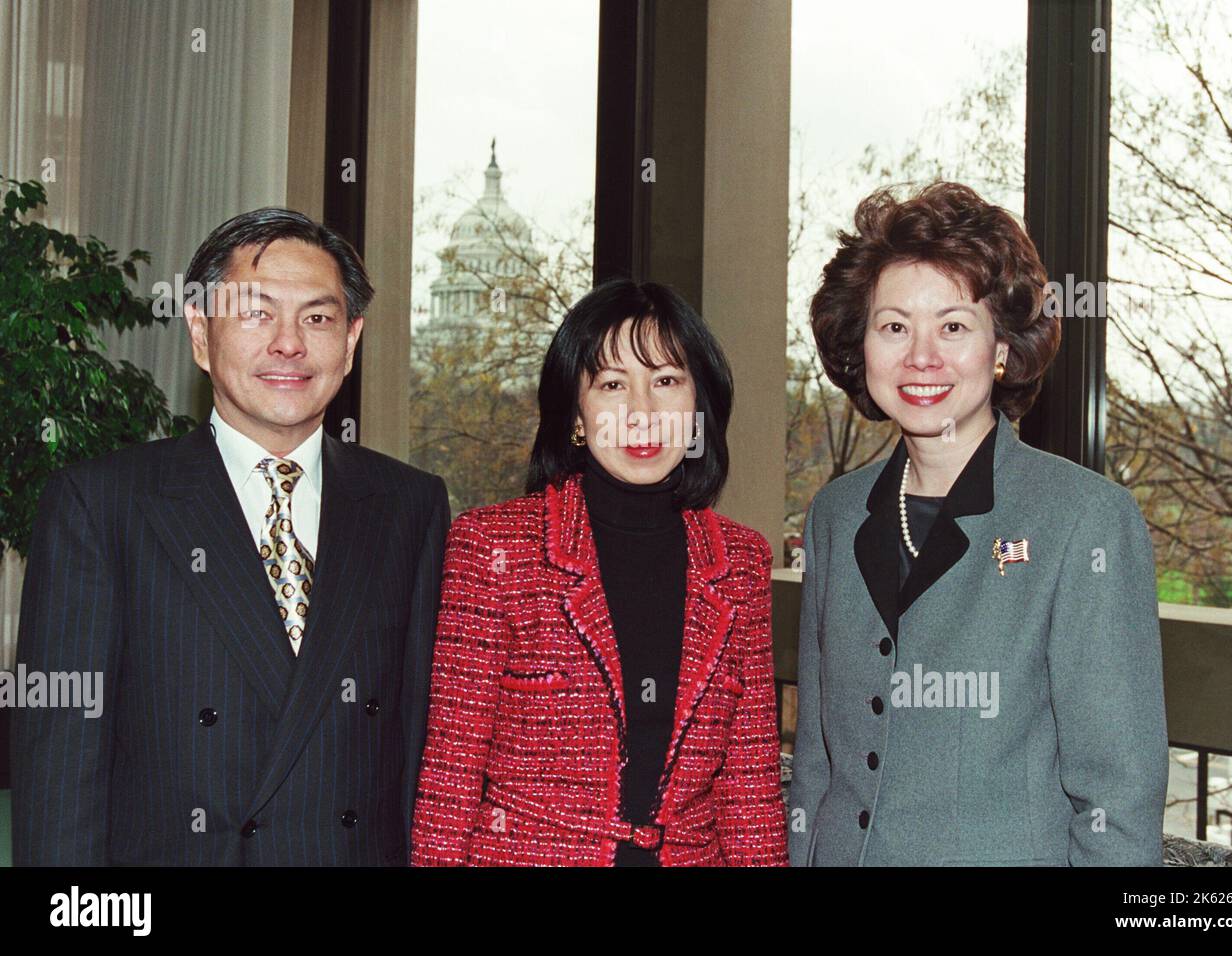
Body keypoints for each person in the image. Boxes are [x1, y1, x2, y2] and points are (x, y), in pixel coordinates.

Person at [11, 208, 450, 865]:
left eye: (318, 317)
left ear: (352, 339)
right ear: (199, 332)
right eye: (256, 312)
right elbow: (60, 776)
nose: (289, 344)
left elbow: (425, 749)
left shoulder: (410, 505)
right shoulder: (102, 505)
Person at [787, 182, 1168, 866]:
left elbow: (1120, 798)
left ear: (1002, 347)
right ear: (862, 346)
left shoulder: (1084, 522)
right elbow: (817, 765)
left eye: (954, 326)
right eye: (894, 326)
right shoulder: (835, 516)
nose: (921, 357)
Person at [410, 279, 788, 866]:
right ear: (576, 416)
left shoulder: (739, 561)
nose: (641, 413)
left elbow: (750, 790)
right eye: (612, 385)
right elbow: (451, 776)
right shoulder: (492, 547)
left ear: (697, 410)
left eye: (665, 381)